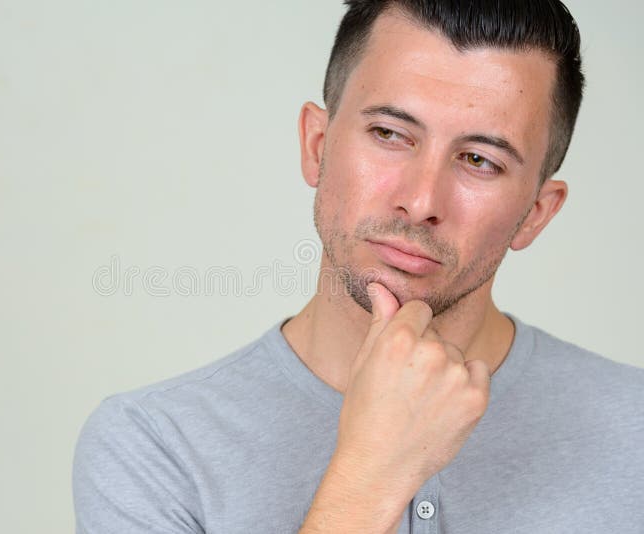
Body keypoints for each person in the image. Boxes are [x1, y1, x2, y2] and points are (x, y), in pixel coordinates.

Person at [73, 1, 644, 532]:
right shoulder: (154, 446)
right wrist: (371, 476)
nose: (421, 202)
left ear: (535, 215)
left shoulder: (634, 430)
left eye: (479, 160)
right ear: (317, 145)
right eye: (390, 134)